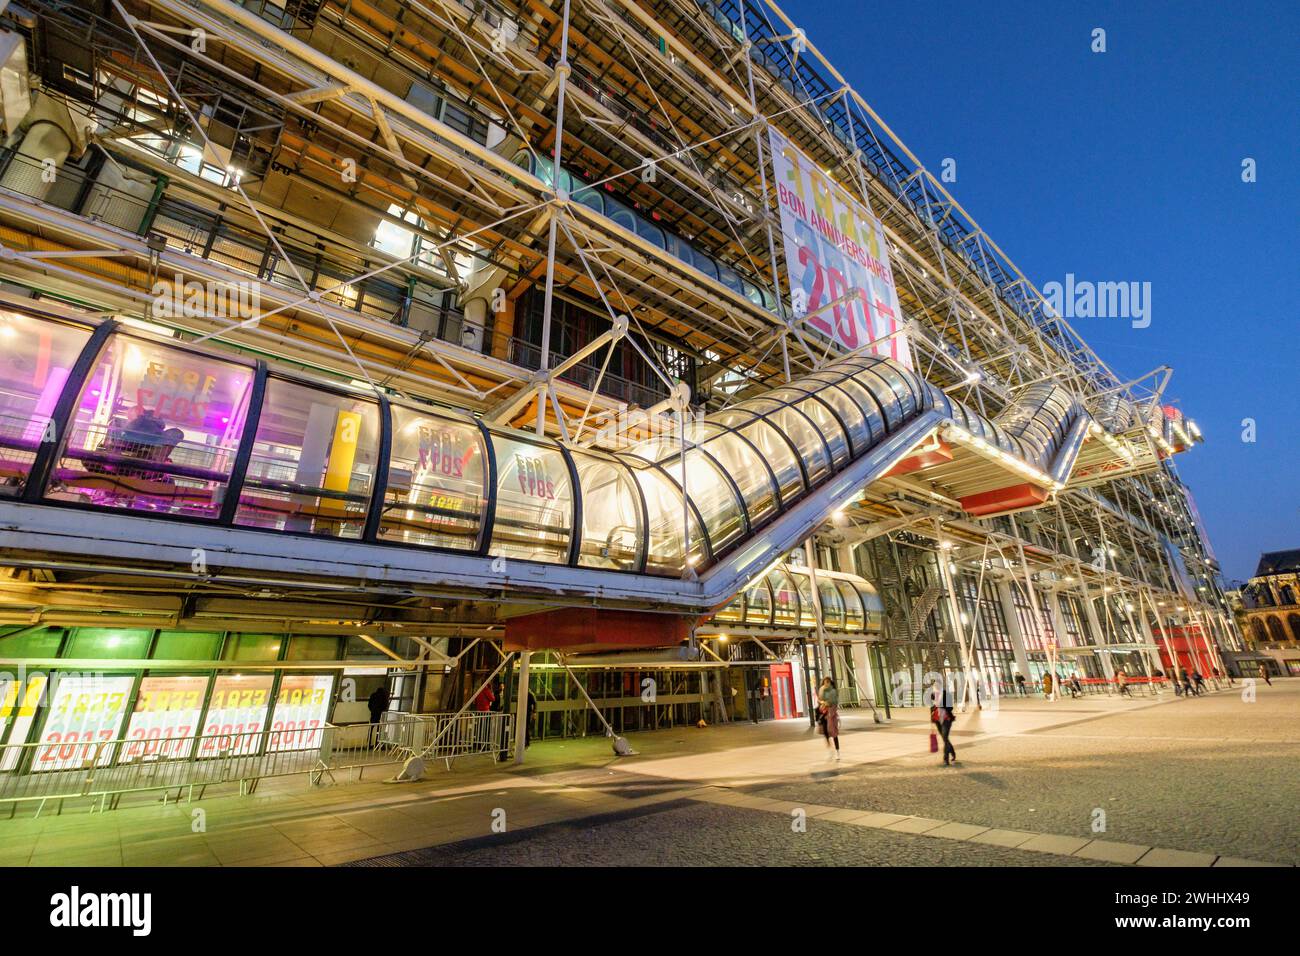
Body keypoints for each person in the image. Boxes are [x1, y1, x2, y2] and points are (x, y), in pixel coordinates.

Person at [931, 683, 957, 766]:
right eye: (934, 687)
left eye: (937, 686)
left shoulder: (947, 695)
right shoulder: (933, 695)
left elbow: (950, 707)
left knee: (945, 737)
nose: (935, 688)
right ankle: (952, 751)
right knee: (944, 738)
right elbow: (932, 706)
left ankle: (946, 759)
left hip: (946, 719)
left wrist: (942, 705)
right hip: (937, 719)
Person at [816, 676, 840, 760]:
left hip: (831, 715)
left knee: (834, 734)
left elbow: (834, 703)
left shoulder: (833, 692)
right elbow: (819, 700)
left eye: (828, 682)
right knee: (826, 733)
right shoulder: (821, 690)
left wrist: (826, 704)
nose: (826, 684)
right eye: (825, 682)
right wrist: (822, 702)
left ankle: (837, 752)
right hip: (824, 714)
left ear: (830, 683)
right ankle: (830, 751)